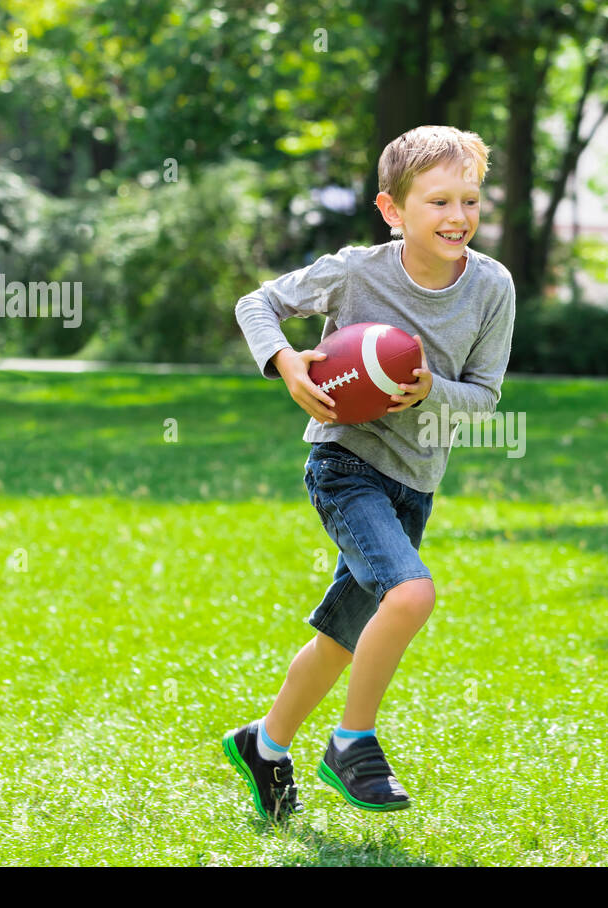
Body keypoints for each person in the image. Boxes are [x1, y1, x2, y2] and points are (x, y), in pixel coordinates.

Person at [223, 125, 515, 821]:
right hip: (345, 463)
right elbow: (256, 303)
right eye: (439, 201)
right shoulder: (357, 271)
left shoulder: (492, 287)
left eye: (469, 201)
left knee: (337, 641)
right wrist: (285, 361)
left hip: (414, 481)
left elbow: (485, 397)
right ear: (393, 210)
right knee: (410, 595)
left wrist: (427, 393)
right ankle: (351, 744)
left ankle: (263, 746)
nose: (458, 217)